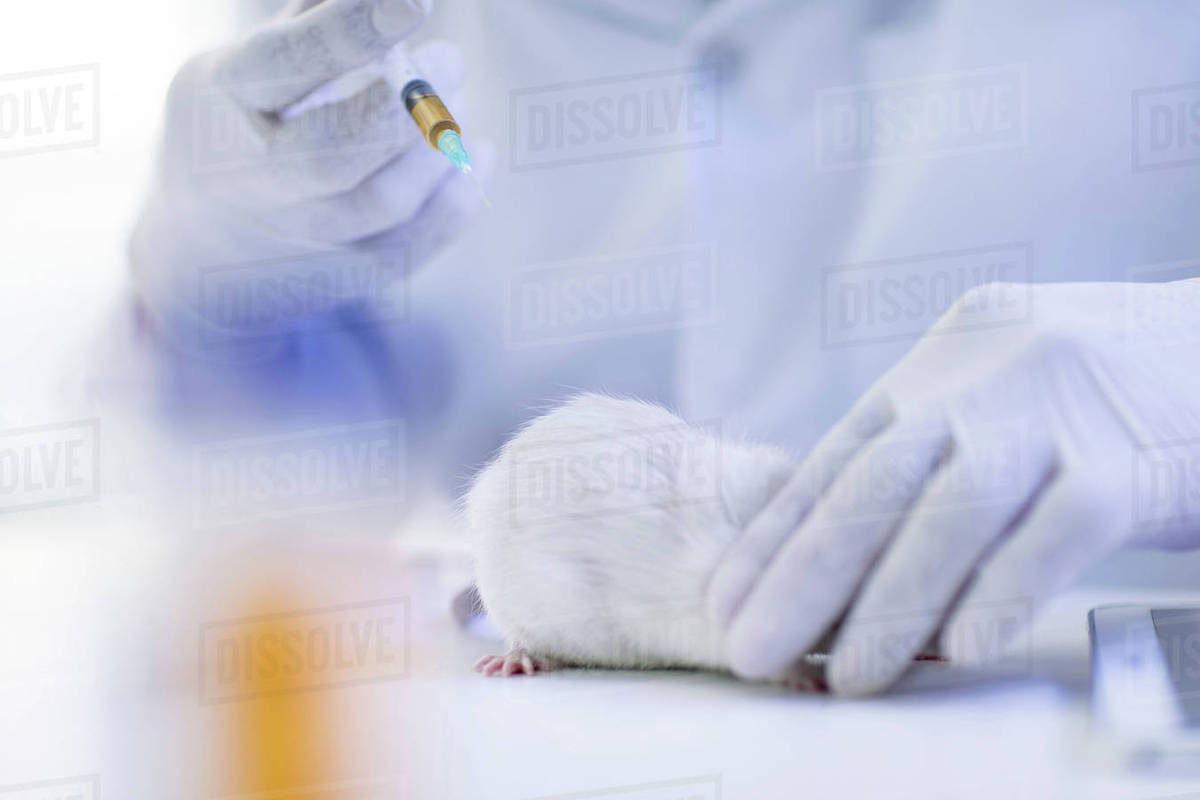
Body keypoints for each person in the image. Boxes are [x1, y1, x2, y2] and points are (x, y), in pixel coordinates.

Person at [125, 0, 1200, 694]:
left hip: (1087, 701)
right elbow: (298, 459)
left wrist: (1176, 372)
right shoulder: (386, 31)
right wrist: (222, 302)